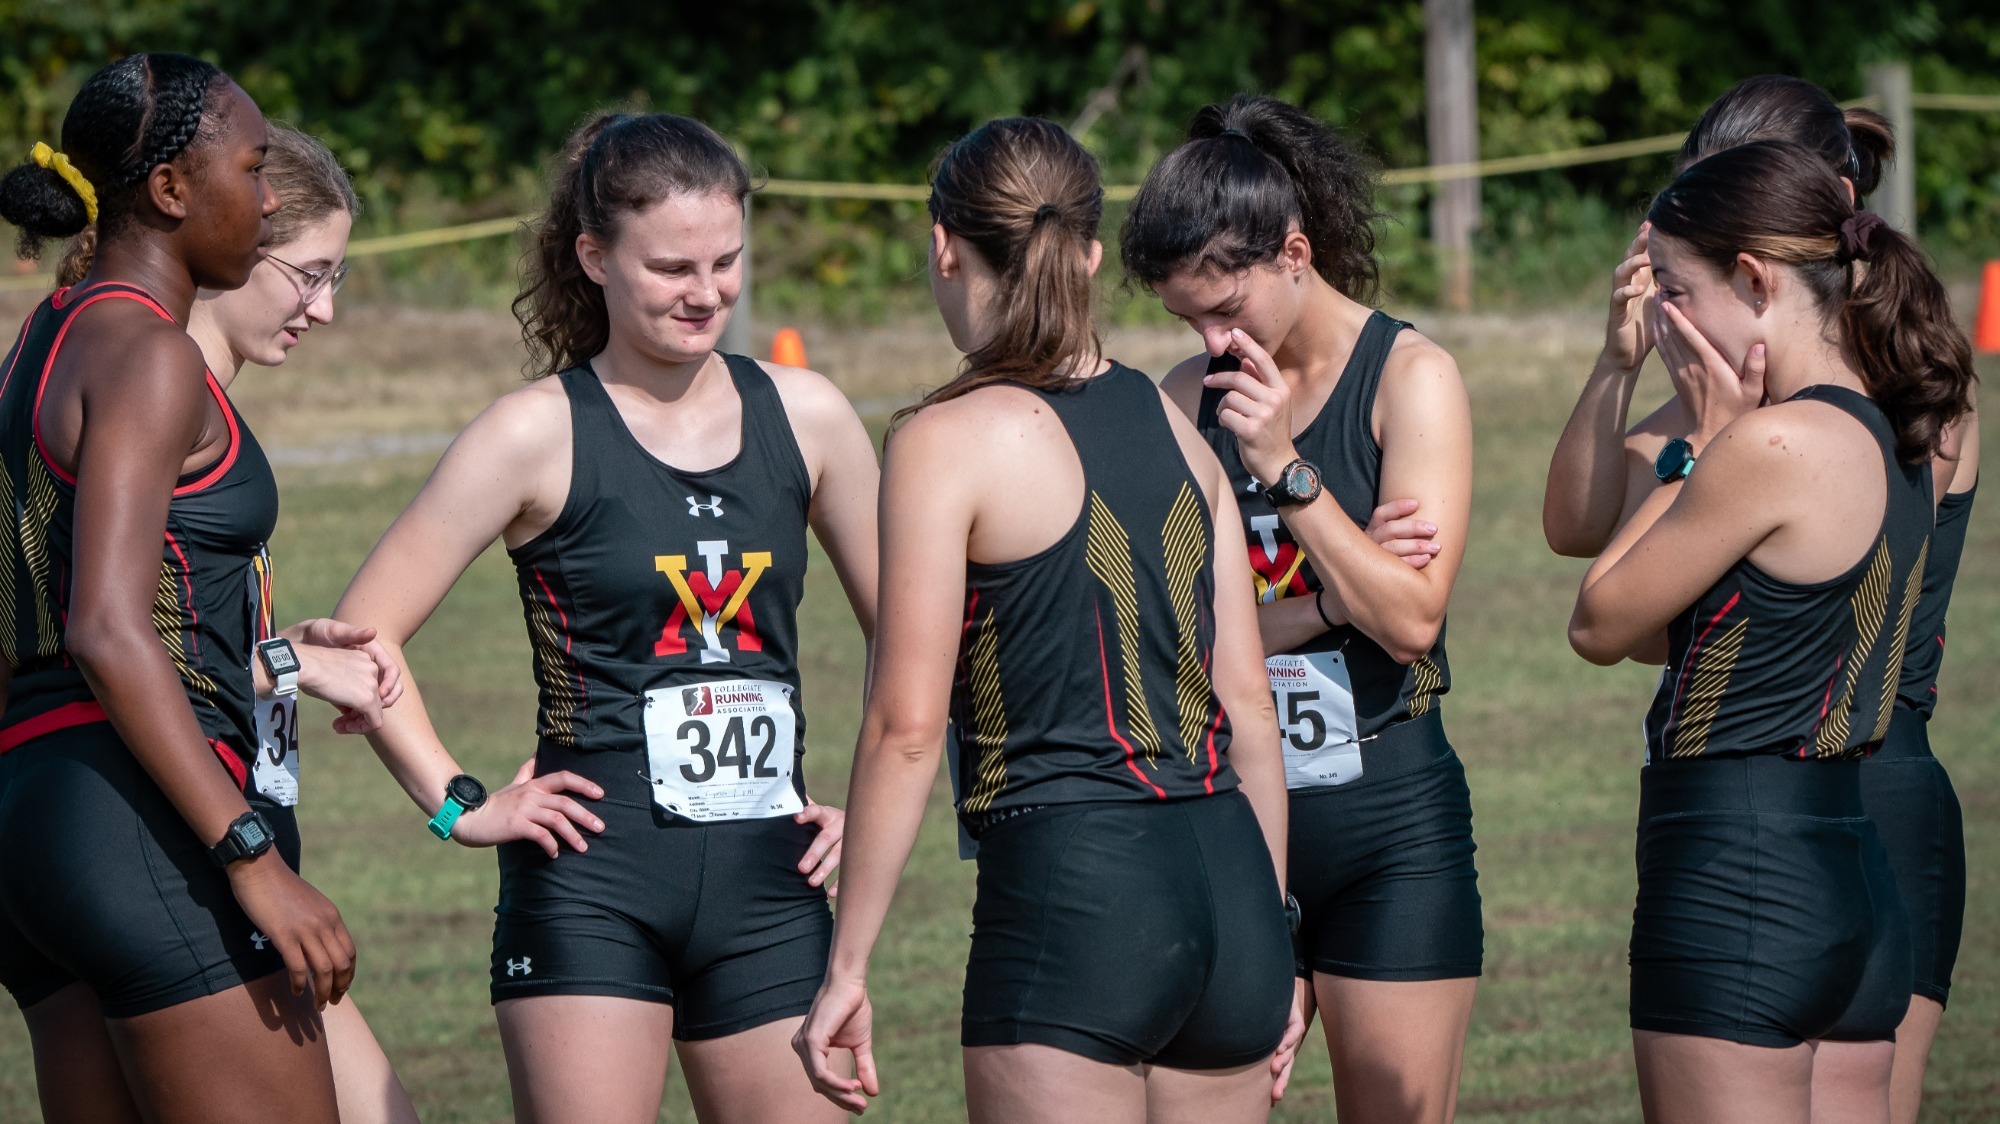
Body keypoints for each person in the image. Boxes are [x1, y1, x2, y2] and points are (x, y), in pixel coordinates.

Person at [331, 111, 879, 1124]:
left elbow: (917, 648)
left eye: (726, 261)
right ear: (594, 256)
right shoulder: (532, 431)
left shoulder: (810, 417)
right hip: (591, 888)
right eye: (671, 267)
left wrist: (873, 805)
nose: (706, 292)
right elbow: (359, 639)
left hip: (770, 886)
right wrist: (457, 805)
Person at [794, 116, 1299, 1124]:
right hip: (1235, 888)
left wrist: (846, 966)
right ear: (1092, 252)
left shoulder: (944, 438)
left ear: (944, 247)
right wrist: (1271, 934)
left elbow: (904, 727)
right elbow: (1246, 706)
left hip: (1077, 896)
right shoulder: (1179, 424)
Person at [1542, 75, 1979, 1123]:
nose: (1665, 311)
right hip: (1845, 846)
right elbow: (1612, 557)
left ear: (1758, 266)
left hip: (1758, 836)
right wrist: (1622, 371)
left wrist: (1703, 441)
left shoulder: (1769, 435)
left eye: (1677, 286)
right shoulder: (1891, 410)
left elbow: (1601, 617)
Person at [0, 53, 398, 1124]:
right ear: (172, 189)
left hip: (37, 818)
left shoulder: (43, 336)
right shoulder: (151, 352)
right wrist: (249, 854)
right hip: (140, 816)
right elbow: (106, 629)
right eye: (254, 167)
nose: (266, 200)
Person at [1119, 94, 1481, 1124]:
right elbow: (1169, 637)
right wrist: (1334, 595)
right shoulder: (1182, 396)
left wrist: (1284, 468)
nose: (1210, 338)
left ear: (1293, 252)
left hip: (1386, 823)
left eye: (1225, 309)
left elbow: (1409, 623)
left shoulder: (1411, 377)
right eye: (1186, 319)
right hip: (1225, 816)